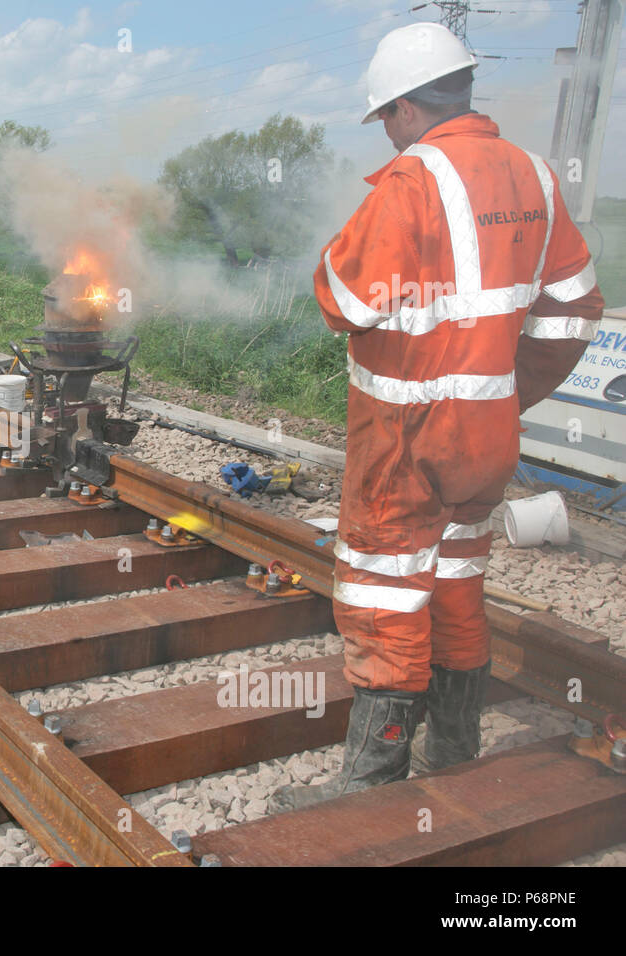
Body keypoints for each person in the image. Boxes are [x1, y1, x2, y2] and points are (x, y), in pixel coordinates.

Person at [272, 23, 603, 811]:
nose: (387, 130)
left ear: (404, 107)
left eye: (385, 115)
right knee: (456, 582)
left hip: (405, 440)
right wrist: (507, 390)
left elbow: (342, 300)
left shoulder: (410, 182)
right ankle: (454, 762)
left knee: (384, 592)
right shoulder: (535, 175)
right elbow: (573, 310)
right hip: (487, 436)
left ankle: (371, 793)